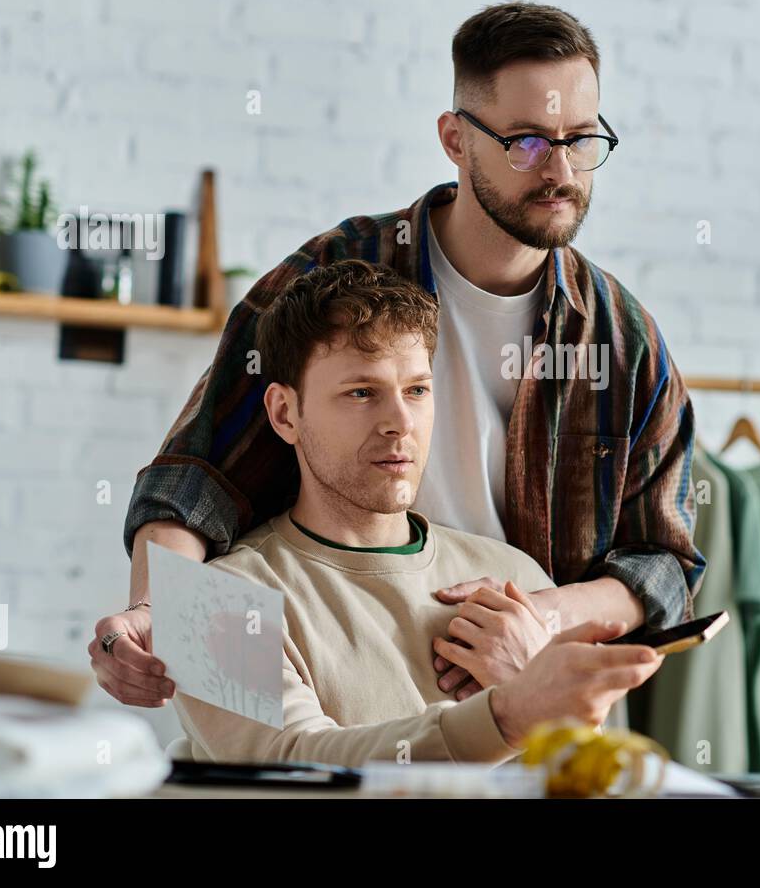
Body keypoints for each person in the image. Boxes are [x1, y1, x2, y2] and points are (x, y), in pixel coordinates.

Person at [91, 0, 702, 710]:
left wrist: (545, 615)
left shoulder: (625, 342)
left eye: (581, 139)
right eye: (527, 142)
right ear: (454, 137)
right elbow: (197, 477)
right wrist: (153, 610)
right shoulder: (333, 275)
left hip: (535, 693)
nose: (560, 171)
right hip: (341, 665)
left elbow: (665, 563)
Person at [173, 259, 662, 764]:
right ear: (284, 413)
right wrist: (508, 715)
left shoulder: (515, 580)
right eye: (362, 393)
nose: (400, 422)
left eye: (417, 390)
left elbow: (583, 778)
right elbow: (293, 769)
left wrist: (557, 715)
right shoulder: (213, 604)